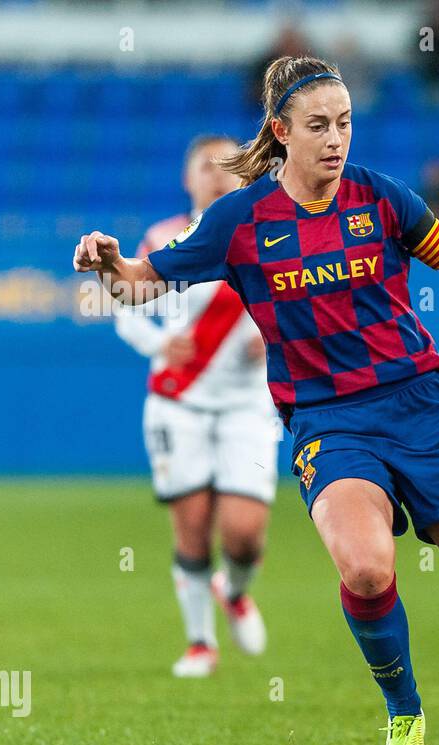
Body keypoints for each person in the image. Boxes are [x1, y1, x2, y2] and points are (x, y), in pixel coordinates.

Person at [75, 56, 439, 745]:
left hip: (422, 404)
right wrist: (110, 265)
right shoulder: (241, 222)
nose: (336, 139)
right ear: (281, 132)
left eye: (344, 123)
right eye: (318, 125)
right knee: (368, 569)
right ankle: (404, 713)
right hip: (329, 422)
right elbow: (143, 279)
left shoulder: (381, 198)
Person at [113, 134, 277, 678]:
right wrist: (159, 343)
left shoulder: (269, 235)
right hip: (178, 401)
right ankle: (201, 642)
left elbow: (300, 302)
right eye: (204, 166)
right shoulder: (163, 238)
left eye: (227, 164)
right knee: (193, 525)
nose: (215, 173)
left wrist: (273, 339)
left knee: (244, 535)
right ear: (187, 179)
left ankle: (235, 590)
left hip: (248, 404)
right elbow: (123, 303)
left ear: (246, 173)